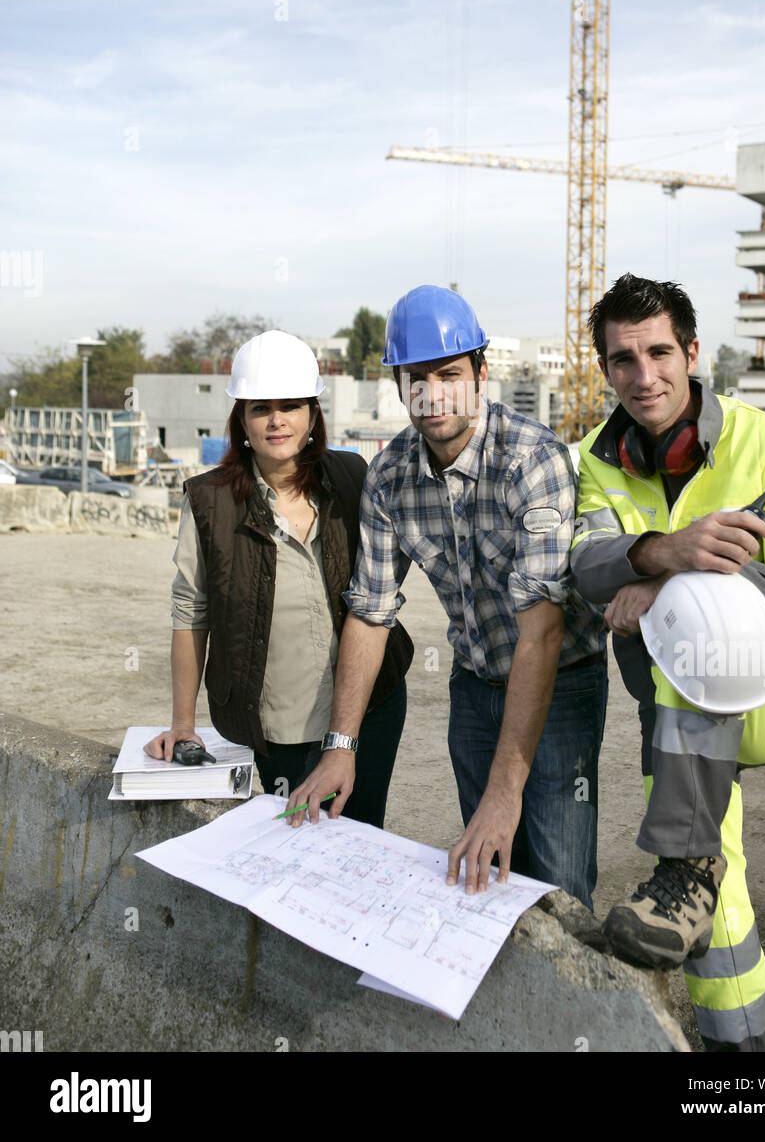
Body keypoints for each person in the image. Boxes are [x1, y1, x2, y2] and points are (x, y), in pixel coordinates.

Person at [570, 272, 765, 1052]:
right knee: (706, 911)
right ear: (606, 370)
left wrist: (693, 576)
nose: (644, 375)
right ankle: (749, 1059)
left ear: (692, 354)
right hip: (677, 718)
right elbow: (586, 566)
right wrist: (660, 553)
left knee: (699, 610)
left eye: (660, 352)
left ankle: (684, 869)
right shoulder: (596, 459)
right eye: (623, 360)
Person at [286, 285, 608, 907]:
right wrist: (340, 748)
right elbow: (370, 613)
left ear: (481, 374)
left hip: (561, 683)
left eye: (449, 374)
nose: (432, 394)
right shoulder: (390, 477)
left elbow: (542, 630)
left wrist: (504, 793)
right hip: (475, 688)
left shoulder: (531, 460)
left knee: (559, 887)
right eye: (416, 378)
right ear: (398, 386)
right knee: (490, 877)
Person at [145, 330, 413, 827]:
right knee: (293, 842)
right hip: (278, 725)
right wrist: (183, 724)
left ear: (313, 414)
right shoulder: (209, 502)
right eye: (260, 408)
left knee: (360, 836)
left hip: (370, 708)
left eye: (290, 405)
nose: (276, 420)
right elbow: (191, 612)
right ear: (241, 420)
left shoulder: (352, 477)